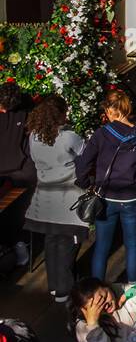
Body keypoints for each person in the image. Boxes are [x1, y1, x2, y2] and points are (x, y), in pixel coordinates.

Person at [75, 89, 136, 284]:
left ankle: (96, 289)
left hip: (106, 197)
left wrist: (88, 184)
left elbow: (83, 165)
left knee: (102, 246)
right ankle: (133, 288)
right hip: (134, 198)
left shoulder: (101, 134)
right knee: (133, 245)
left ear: (110, 112)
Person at [24, 95, 86, 303]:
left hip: (44, 196)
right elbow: (85, 157)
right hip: (68, 197)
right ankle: (65, 289)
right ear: (59, 114)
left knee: (51, 241)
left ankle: (53, 286)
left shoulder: (33, 136)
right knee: (68, 243)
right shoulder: (69, 137)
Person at [0, 82, 35, 265]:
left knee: (14, 211)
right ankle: (17, 244)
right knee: (16, 211)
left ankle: (16, 244)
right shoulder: (27, 112)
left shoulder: (25, 113)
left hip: (18, 173)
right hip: (20, 171)